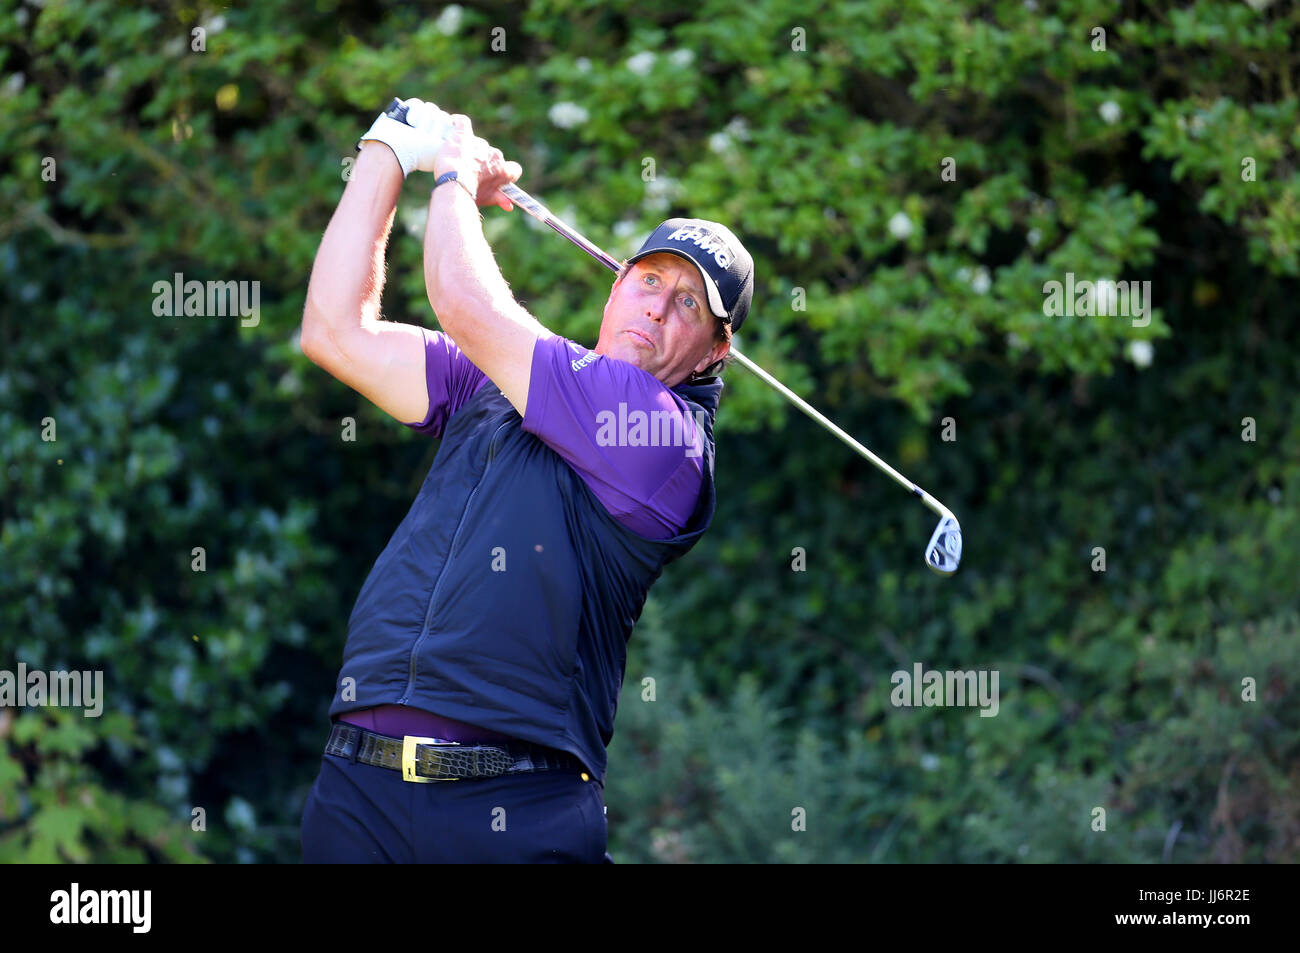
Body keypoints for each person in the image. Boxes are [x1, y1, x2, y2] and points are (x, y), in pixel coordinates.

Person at [298, 98, 754, 863]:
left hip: (511, 809)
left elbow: (467, 304)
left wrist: (452, 173)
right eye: (648, 280)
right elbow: (334, 331)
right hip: (359, 791)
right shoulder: (498, 383)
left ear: (713, 352)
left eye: (689, 304)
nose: (657, 307)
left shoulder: (662, 436)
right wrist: (387, 146)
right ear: (615, 287)